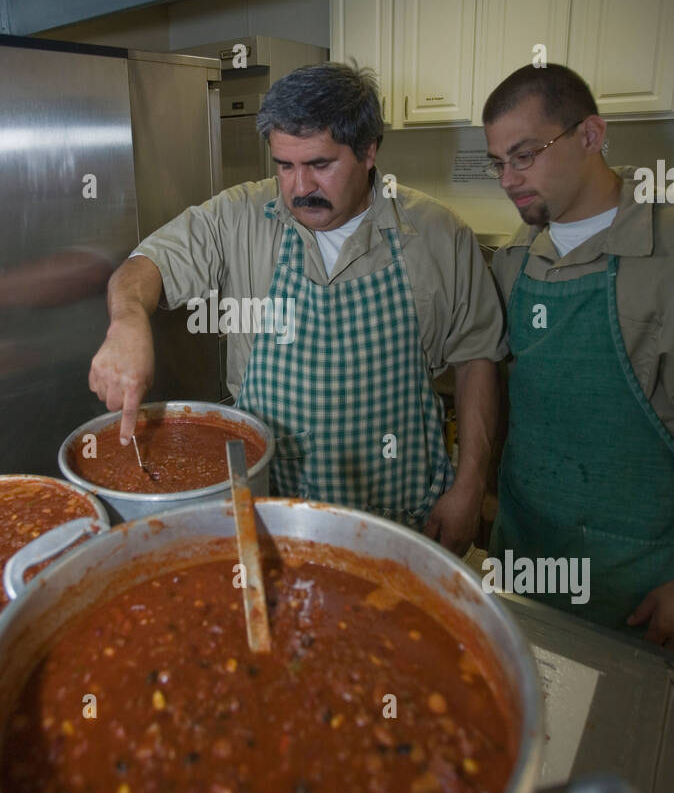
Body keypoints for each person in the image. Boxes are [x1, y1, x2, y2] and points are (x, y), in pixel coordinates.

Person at [89, 63, 505, 553]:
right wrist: (127, 322)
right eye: (284, 165)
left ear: (369, 150)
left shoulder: (438, 235)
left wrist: (471, 485)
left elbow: (477, 359)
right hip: (271, 511)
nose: (299, 187)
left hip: (398, 516)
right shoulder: (240, 215)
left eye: (320, 164)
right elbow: (145, 265)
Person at [483, 63, 674, 646]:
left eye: (525, 155)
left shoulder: (663, 253)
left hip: (636, 580)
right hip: (523, 554)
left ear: (590, 136)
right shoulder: (516, 258)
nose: (509, 179)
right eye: (498, 163)